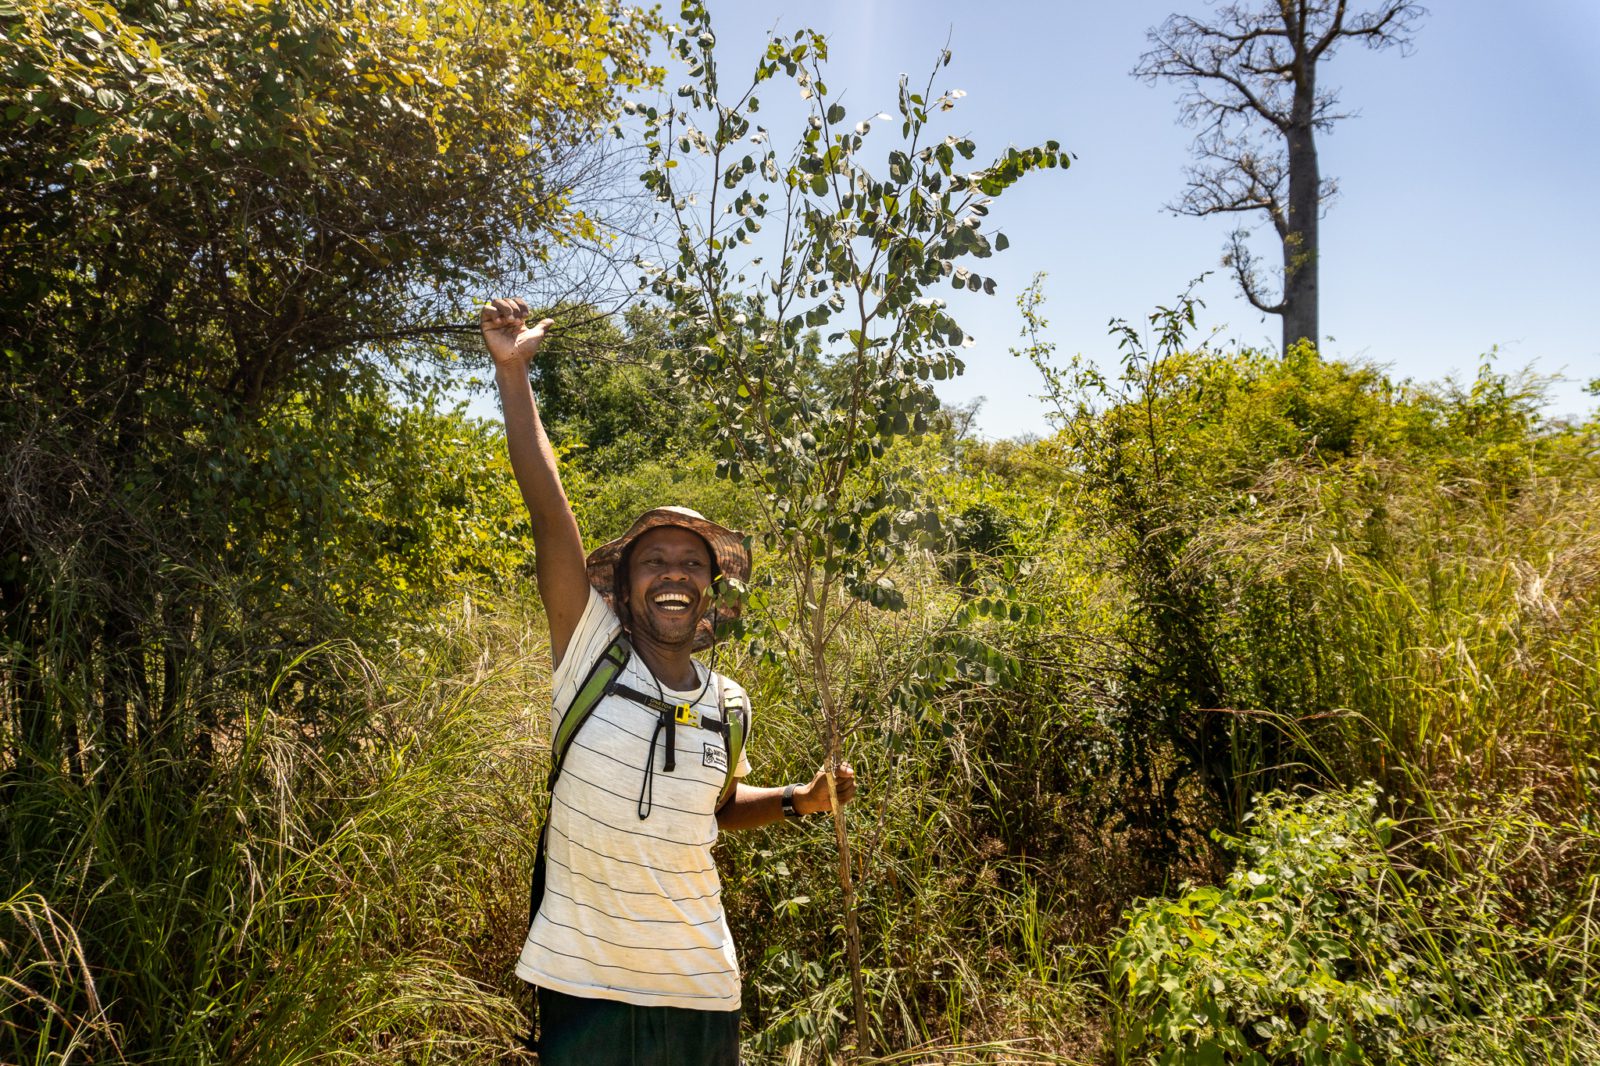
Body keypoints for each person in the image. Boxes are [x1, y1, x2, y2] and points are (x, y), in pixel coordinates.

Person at [481, 298, 857, 1065]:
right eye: (654, 560)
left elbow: (716, 810)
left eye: (692, 563)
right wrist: (514, 375)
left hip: (701, 991)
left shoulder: (729, 704)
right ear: (623, 588)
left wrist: (801, 800)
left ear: (712, 591)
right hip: (585, 992)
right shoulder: (588, 652)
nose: (675, 573)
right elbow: (549, 509)